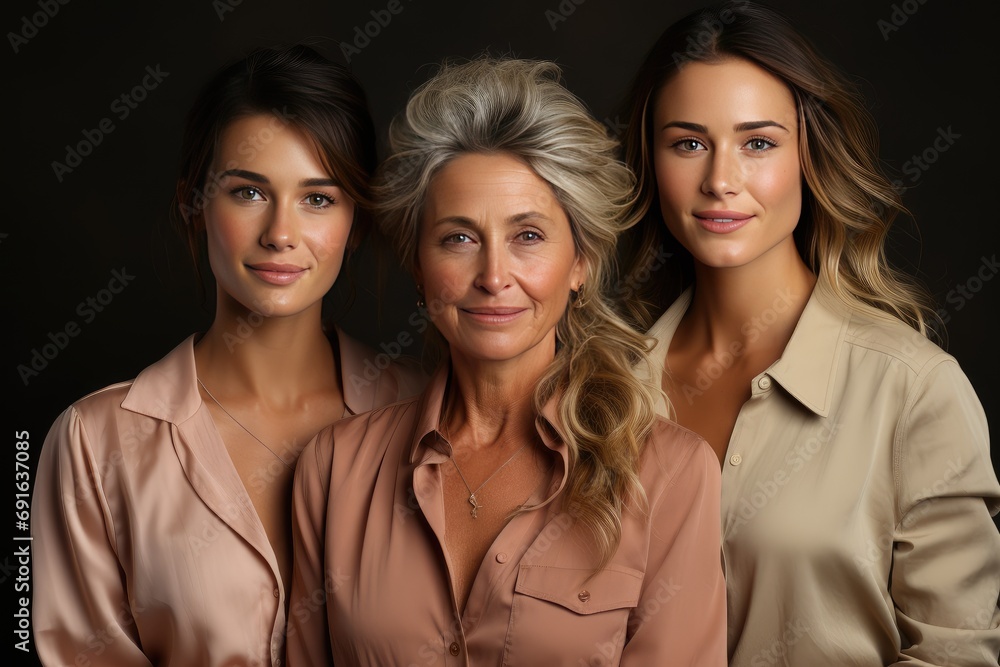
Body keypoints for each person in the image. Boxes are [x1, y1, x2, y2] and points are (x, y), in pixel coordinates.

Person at [285, 57, 726, 666]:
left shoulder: (671, 477)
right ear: (419, 267)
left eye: (528, 236)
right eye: (458, 238)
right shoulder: (334, 470)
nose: (493, 277)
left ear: (581, 264)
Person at [619, 2, 1000, 664]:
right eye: (688, 143)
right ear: (651, 162)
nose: (719, 180)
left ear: (808, 157)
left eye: (758, 142)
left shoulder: (913, 392)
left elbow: (955, 655)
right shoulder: (602, 391)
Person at [32, 45, 425, 667]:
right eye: (247, 192)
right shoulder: (92, 441)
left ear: (358, 219)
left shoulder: (427, 413)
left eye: (318, 198)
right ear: (195, 205)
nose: (281, 233)